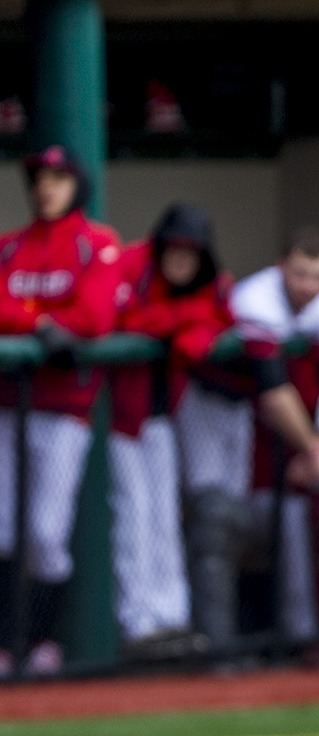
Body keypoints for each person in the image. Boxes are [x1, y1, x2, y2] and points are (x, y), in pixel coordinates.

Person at [176, 226, 319, 656]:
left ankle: (231, 642)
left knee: (236, 524)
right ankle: (214, 644)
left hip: (242, 414)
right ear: (282, 267)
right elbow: (274, 394)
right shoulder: (257, 298)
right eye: (301, 273)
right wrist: (313, 449)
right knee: (213, 517)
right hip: (205, 402)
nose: (309, 286)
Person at [0, 146, 122, 676]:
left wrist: (25, 316)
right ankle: (7, 644)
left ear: (76, 184)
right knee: (1, 528)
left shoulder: (97, 244)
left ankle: (43, 640)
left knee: (46, 534)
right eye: (40, 179)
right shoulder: (10, 247)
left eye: (58, 178)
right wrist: (43, 322)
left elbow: (94, 316)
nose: (47, 188)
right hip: (7, 403)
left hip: (64, 404)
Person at [112, 204, 229, 662]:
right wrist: (181, 321)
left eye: (191, 253)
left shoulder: (207, 283)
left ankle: (170, 618)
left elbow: (222, 314)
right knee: (133, 515)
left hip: (160, 416)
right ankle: (136, 620)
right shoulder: (131, 264)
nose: (181, 260)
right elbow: (118, 319)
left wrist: (192, 325)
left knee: (163, 514)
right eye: (175, 250)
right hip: (118, 417)